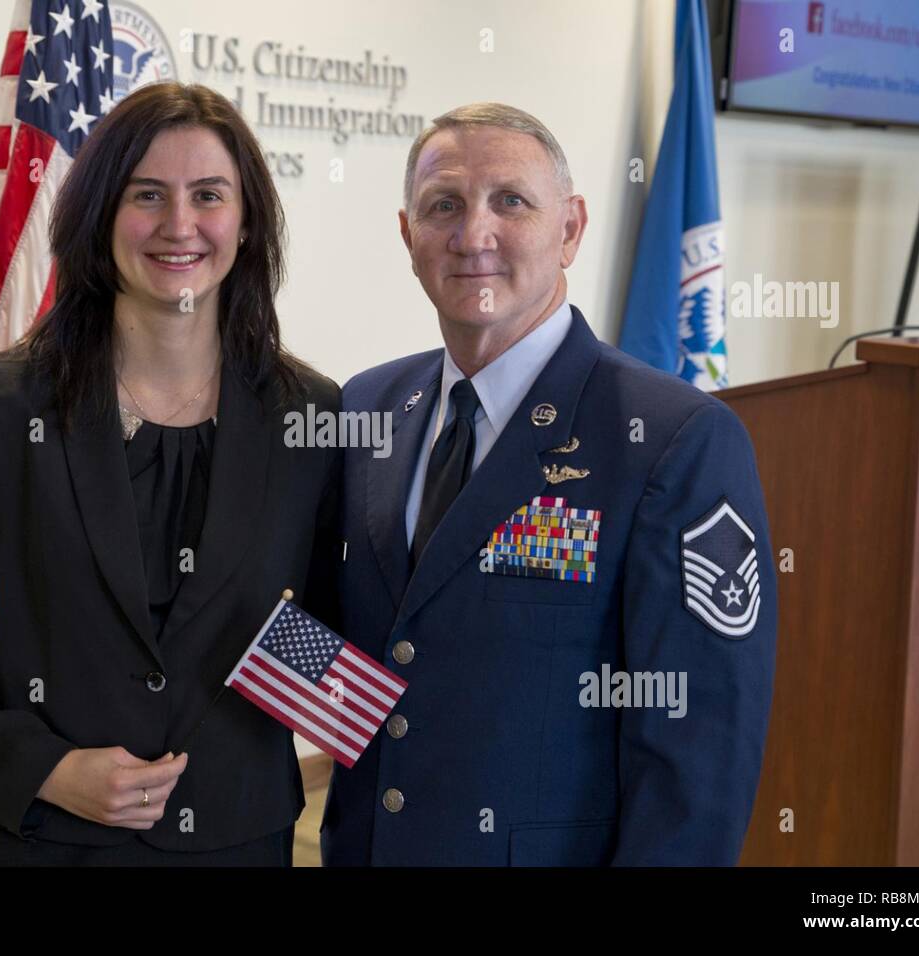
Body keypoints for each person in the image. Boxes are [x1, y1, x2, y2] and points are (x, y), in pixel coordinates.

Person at [0, 82, 341, 866]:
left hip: (235, 839)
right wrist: (43, 768)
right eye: (147, 195)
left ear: (246, 223)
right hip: (42, 837)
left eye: (208, 195)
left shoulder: (311, 413)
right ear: (102, 217)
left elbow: (329, 626)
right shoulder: (8, 401)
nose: (179, 225)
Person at [319, 103, 777, 866]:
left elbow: (698, 752)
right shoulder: (366, 406)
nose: (474, 235)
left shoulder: (673, 439)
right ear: (409, 237)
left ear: (569, 229)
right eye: (444, 206)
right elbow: (354, 645)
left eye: (511, 201)